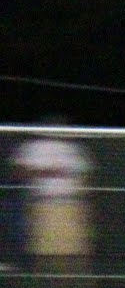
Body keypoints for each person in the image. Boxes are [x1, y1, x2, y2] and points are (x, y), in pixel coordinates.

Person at [12, 117, 91, 279]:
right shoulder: (33, 147)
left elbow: (85, 175)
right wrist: (46, 172)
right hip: (43, 203)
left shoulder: (74, 148)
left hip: (71, 204)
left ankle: (76, 283)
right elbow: (18, 171)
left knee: (73, 248)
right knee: (43, 248)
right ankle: (44, 282)